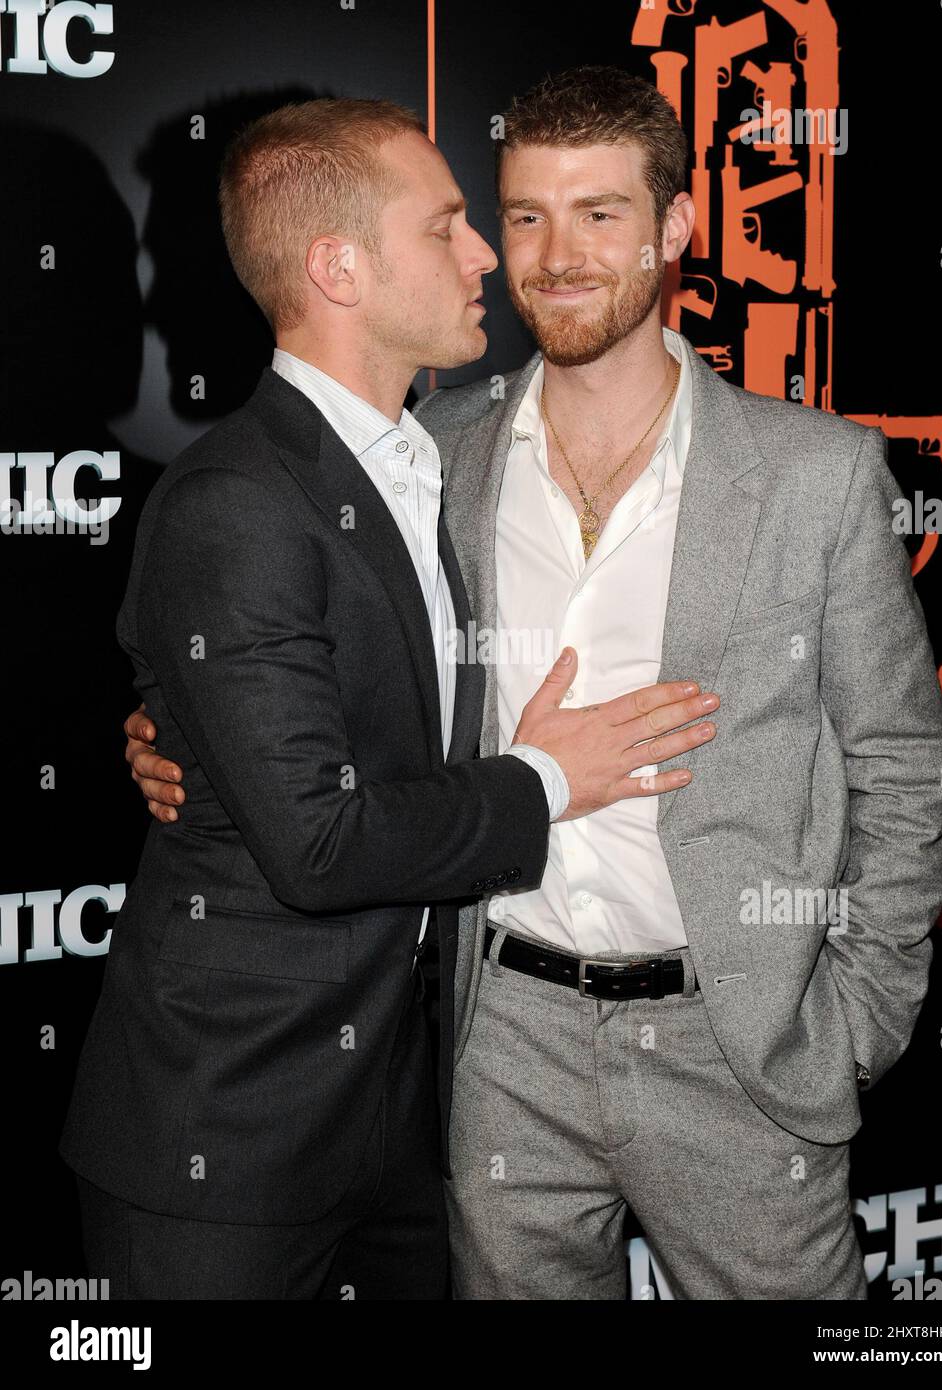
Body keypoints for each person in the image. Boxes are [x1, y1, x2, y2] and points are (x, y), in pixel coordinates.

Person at [122, 67, 942, 1300]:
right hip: (494, 1041)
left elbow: (901, 764)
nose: (552, 256)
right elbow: (309, 673)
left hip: (740, 1049)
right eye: (520, 216)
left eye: (600, 215)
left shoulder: (814, 476)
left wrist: (853, 1024)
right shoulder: (432, 454)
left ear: (674, 229)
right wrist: (175, 731)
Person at [59, 94, 714, 1301]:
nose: (485, 258)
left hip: (405, 1122)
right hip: (231, 1135)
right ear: (338, 266)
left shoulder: (436, 456)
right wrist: (552, 777)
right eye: (451, 225)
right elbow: (315, 841)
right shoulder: (237, 503)